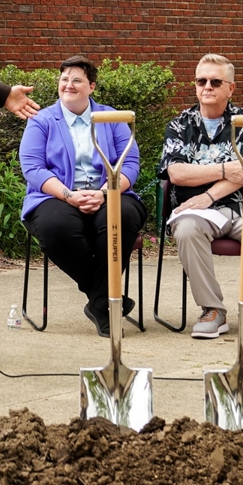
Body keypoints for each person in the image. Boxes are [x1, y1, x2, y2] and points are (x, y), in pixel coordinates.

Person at [156, 54, 243, 340]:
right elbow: (176, 173)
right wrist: (227, 168)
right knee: (187, 228)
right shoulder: (178, 126)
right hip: (196, 211)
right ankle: (212, 310)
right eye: (202, 81)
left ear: (231, 88)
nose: (208, 87)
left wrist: (209, 193)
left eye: (216, 81)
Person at [18, 55, 145, 336]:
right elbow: (32, 167)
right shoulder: (42, 119)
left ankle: (101, 302)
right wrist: (68, 195)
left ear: (92, 87)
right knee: (56, 228)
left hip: (108, 192)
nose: (69, 85)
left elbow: (131, 165)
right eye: (64, 79)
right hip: (56, 196)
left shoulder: (112, 118)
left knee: (121, 216)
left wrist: (103, 193)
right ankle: (104, 301)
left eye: (77, 80)